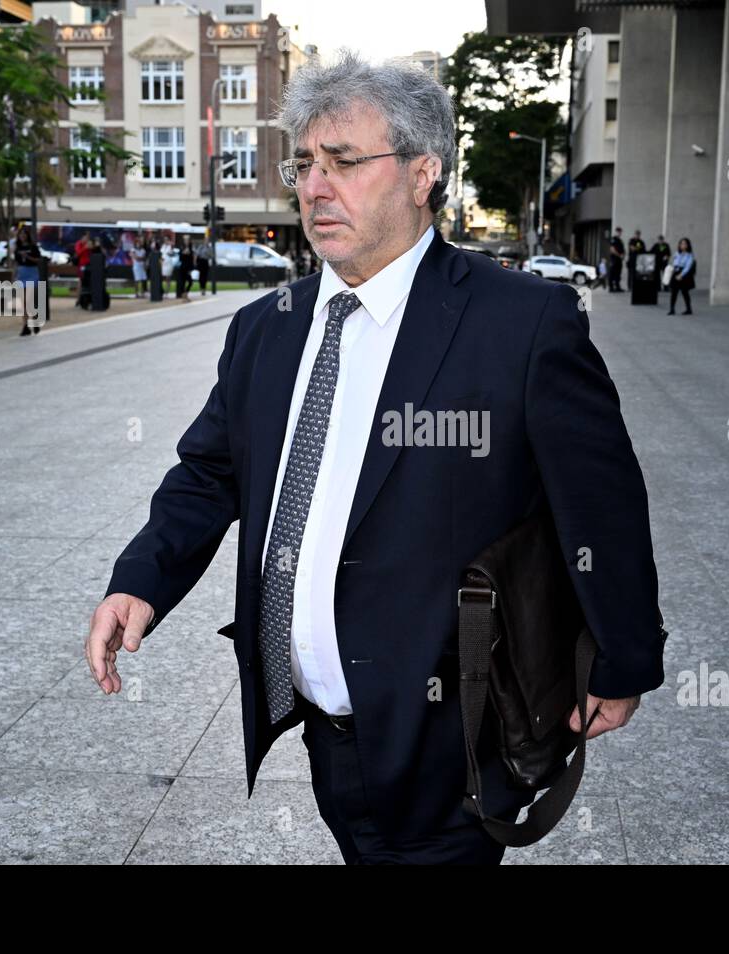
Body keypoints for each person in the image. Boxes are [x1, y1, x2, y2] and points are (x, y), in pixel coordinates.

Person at [87, 52, 666, 866]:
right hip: (320, 725)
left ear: (423, 172)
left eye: (345, 162)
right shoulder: (268, 327)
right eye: (304, 165)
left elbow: (601, 501)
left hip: (455, 723)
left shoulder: (523, 324)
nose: (316, 188)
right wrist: (141, 579)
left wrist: (626, 652)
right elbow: (210, 472)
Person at [14, 224, 43, 336]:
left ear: (27, 235)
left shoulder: (33, 247)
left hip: (32, 273)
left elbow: (38, 260)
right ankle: (25, 326)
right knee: (23, 303)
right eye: (20, 234)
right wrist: (14, 276)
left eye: (24, 234)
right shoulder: (17, 248)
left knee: (29, 300)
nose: (22, 236)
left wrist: (28, 257)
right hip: (22, 273)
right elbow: (16, 263)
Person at [667, 236, 696, 316]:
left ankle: (688, 309)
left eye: (684, 244)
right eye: (681, 244)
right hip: (676, 271)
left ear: (687, 245)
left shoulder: (689, 255)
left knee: (685, 292)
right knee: (674, 292)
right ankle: (672, 309)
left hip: (683, 273)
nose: (682, 245)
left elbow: (688, 266)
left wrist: (681, 275)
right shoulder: (677, 253)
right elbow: (674, 262)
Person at [649, 234, 671, 305]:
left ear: (663, 240)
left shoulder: (666, 245)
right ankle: (658, 287)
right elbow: (651, 252)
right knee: (657, 275)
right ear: (658, 240)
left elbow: (669, 253)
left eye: (661, 239)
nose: (660, 241)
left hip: (664, 263)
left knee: (665, 275)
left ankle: (666, 287)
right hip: (657, 263)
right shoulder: (656, 245)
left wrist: (667, 257)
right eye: (659, 239)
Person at [626, 229, 646, 293]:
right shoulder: (631, 240)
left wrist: (637, 248)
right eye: (636, 234)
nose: (637, 235)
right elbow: (632, 248)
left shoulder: (641, 242)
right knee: (631, 274)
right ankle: (630, 287)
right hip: (632, 260)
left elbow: (644, 251)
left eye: (638, 234)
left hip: (639, 261)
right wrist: (638, 248)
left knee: (638, 274)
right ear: (634, 234)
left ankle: (636, 286)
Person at [607, 226, 624, 292]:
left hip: (619, 260)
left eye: (620, 232)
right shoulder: (613, 239)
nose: (620, 233)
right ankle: (611, 288)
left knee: (618, 273)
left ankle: (617, 287)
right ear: (616, 232)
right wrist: (619, 255)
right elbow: (612, 249)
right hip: (614, 259)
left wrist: (623, 255)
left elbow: (622, 250)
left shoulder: (620, 240)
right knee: (612, 273)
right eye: (618, 232)